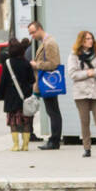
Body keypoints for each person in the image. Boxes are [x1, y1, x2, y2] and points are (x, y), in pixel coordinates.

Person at [68, 30, 96, 158]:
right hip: (81, 93)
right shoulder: (74, 56)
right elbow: (72, 74)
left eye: (91, 38)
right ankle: (87, 148)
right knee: (84, 121)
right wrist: (87, 73)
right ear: (81, 41)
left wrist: (93, 72)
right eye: (87, 39)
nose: (90, 41)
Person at [0, 38, 36, 151]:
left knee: (13, 121)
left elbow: (3, 81)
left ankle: (16, 145)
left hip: (11, 97)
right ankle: (26, 145)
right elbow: (32, 80)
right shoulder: (26, 63)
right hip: (25, 96)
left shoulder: (8, 63)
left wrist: (0, 94)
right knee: (26, 121)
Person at [29, 20, 62, 150]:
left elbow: (53, 64)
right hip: (47, 83)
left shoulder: (49, 43)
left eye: (33, 32)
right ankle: (54, 140)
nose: (32, 36)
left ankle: (54, 141)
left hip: (49, 83)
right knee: (52, 111)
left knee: (53, 111)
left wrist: (37, 65)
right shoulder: (46, 42)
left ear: (39, 29)